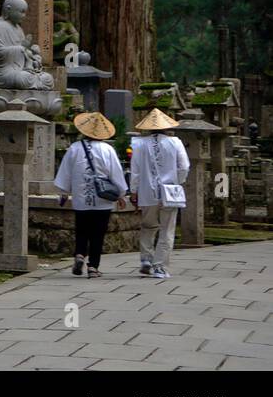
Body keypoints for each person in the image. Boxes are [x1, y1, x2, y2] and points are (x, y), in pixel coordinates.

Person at [55, 111, 127, 278]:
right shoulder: (107, 149)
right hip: (103, 198)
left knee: (82, 229)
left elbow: (65, 172)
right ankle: (93, 267)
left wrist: (64, 193)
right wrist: (121, 194)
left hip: (81, 197)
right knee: (98, 233)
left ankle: (80, 254)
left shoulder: (74, 148)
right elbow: (115, 173)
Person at [130, 108, 189, 279]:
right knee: (167, 229)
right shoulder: (175, 142)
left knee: (148, 227)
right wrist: (178, 181)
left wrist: (134, 191)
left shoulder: (138, 143)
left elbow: (135, 171)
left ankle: (146, 260)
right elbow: (184, 166)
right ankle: (159, 266)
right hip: (170, 193)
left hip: (147, 192)